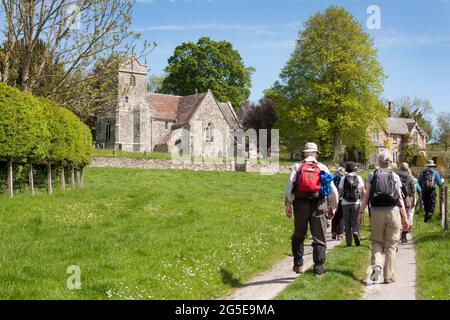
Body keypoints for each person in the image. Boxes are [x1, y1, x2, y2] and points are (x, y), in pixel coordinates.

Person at [284, 142, 338, 276]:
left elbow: (289, 187)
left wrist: (288, 204)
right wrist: (334, 207)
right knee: (319, 237)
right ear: (316, 154)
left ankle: (298, 264)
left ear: (304, 153)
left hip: (300, 204)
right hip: (319, 204)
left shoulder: (298, 166)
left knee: (299, 234)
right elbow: (332, 190)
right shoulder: (322, 167)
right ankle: (318, 268)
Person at [359, 151, 409, 284]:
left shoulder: (372, 175)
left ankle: (377, 266)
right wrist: (405, 218)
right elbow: (400, 199)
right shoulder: (395, 176)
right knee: (391, 246)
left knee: (377, 242)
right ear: (390, 162)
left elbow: (366, 196)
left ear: (378, 162)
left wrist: (360, 213)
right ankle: (388, 276)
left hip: (376, 212)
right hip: (393, 212)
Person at [338, 161, 365, 247]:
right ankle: (355, 232)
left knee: (347, 222)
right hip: (355, 202)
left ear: (346, 169)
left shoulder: (343, 178)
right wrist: (362, 201)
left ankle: (349, 242)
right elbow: (362, 190)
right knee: (355, 221)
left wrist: (338, 199)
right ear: (354, 169)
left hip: (345, 202)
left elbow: (340, 190)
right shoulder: (359, 178)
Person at [397, 162, 416, 243]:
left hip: (398, 198)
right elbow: (413, 190)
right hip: (408, 198)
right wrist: (414, 199)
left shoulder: (396, 176)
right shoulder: (410, 177)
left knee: (398, 216)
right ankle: (404, 235)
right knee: (406, 217)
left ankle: (396, 235)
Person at [332, 167, 346, 240]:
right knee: (341, 217)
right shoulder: (344, 178)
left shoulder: (333, 177)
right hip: (341, 199)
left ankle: (333, 232)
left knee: (334, 216)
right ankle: (340, 234)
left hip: (333, 198)